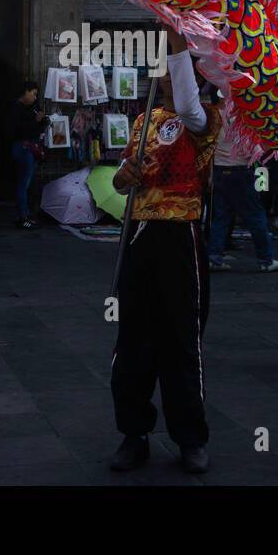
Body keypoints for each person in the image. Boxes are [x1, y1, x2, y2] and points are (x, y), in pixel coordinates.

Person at [108, 28, 221, 474]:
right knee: (132, 339)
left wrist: (176, 38)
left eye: (181, 75)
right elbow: (119, 177)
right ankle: (132, 432)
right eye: (170, 74)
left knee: (181, 339)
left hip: (181, 238)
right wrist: (126, 174)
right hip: (140, 234)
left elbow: (190, 104)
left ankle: (190, 437)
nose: (171, 80)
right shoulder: (144, 122)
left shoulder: (205, 121)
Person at [206, 96, 278, 273]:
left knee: (221, 217)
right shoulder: (240, 118)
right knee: (255, 215)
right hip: (241, 171)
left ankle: (214, 258)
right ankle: (266, 259)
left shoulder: (212, 118)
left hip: (220, 171)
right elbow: (252, 149)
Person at [10, 80, 48, 229]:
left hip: (30, 148)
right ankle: (23, 216)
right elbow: (18, 130)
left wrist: (43, 120)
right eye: (33, 93)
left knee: (26, 182)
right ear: (26, 91)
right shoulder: (15, 108)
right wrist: (35, 121)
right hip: (22, 148)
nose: (35, 97)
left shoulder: (32, 107)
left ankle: (25, 214)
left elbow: (37, 127)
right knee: (23, 182)